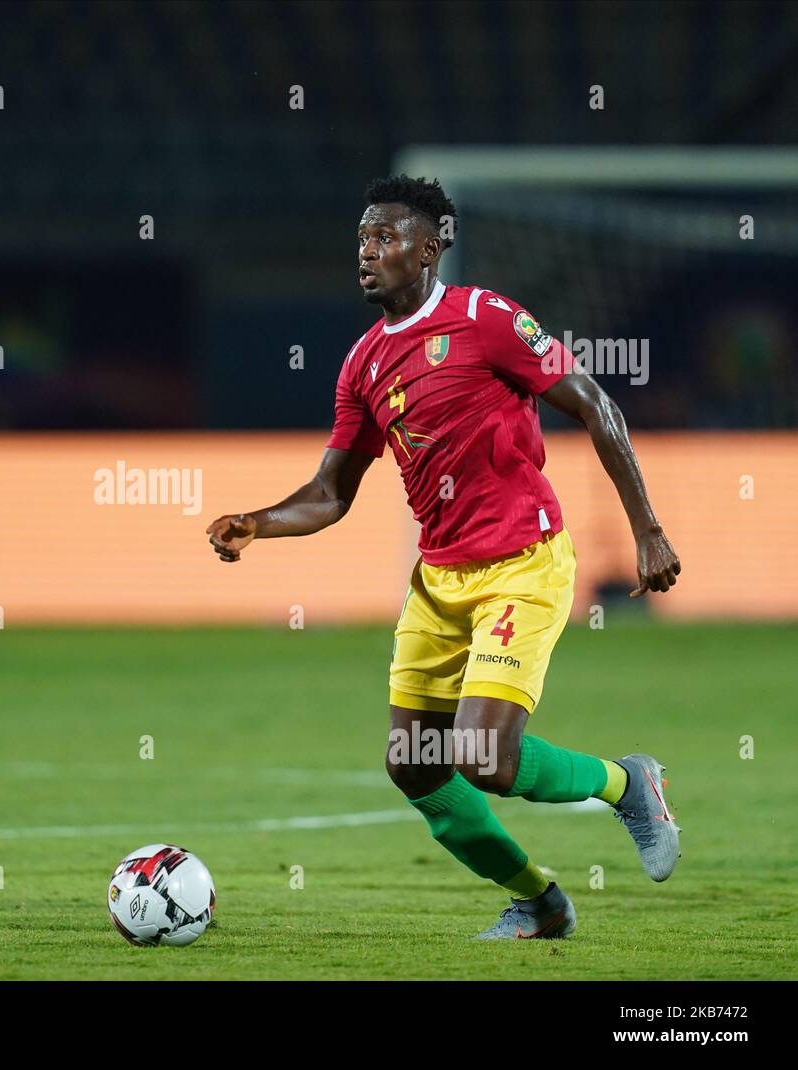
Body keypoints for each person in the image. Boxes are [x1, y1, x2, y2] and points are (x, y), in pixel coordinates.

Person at [206, 175, 682, 939]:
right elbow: (332, 490)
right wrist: (258, 523)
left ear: (430, 249)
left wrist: (647, 528)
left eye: (385, 238)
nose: (368, 253)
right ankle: (540, 901)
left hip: (521, 564)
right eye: (362, 239)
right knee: (415, 762)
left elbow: (595, 403)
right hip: (439, 580)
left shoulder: (487, 320)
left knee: (486, 757)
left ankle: (629, 784)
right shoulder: (363, 363)